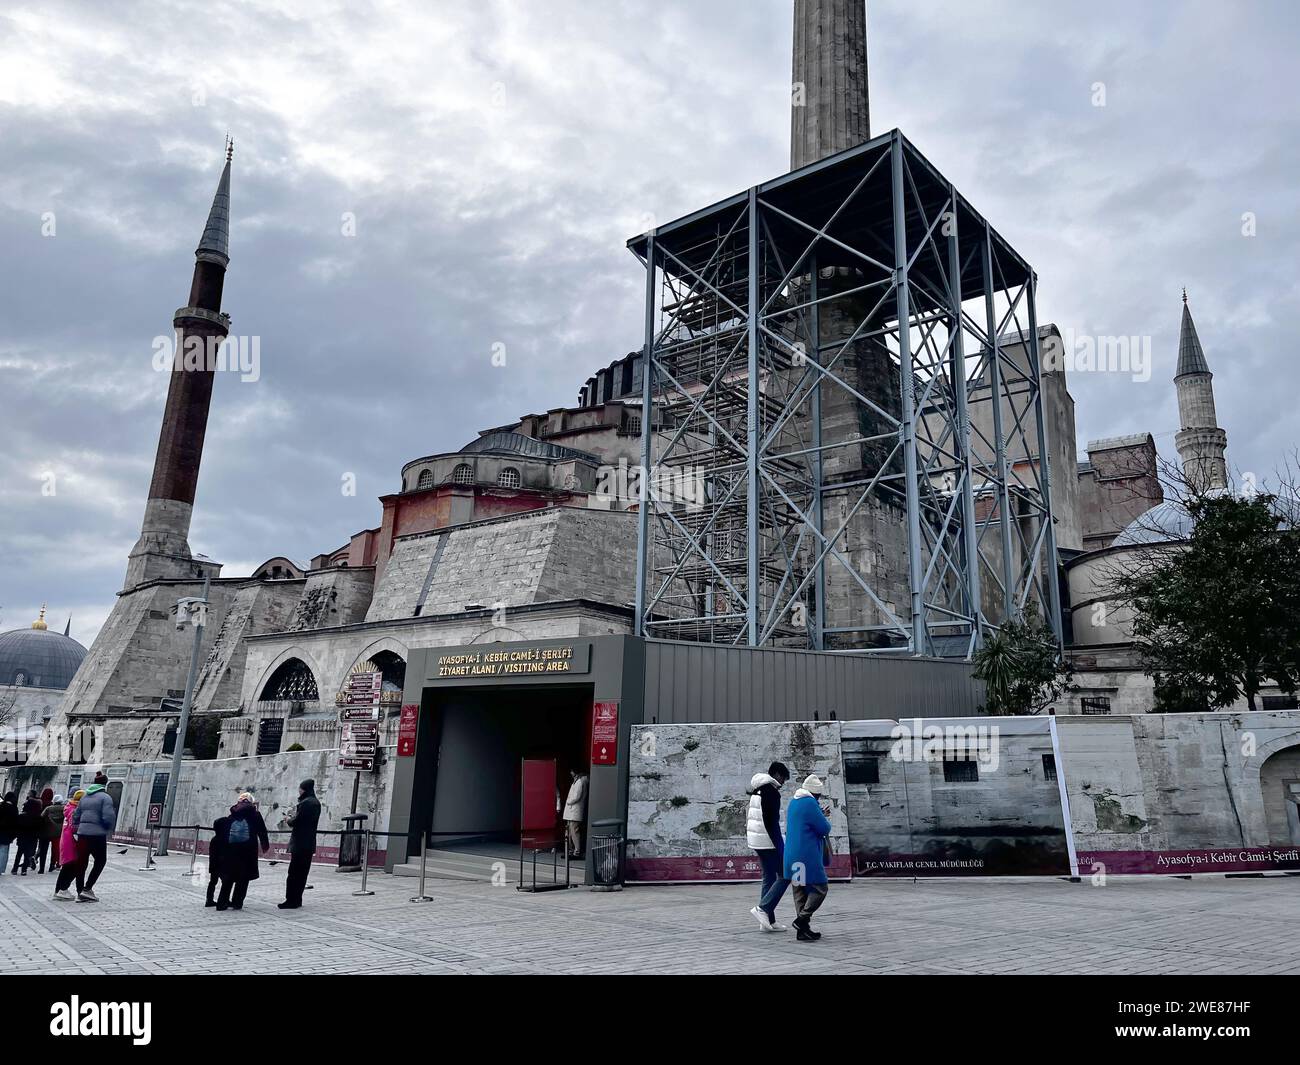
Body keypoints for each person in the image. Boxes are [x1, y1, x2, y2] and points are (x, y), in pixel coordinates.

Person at [783, 774, 832, 942]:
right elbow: (824, 828)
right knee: (820, 888)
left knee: (800, 891)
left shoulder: (795, 801)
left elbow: (806, 822)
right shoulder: (810, 803)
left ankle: (802, 931)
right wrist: (822, 816)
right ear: (815, 793)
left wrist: (819, 813)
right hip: (806, 856)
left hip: (792, 856)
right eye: (818, 795)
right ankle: (802, 919)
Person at [747, 760, 791, 932]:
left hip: (757, 841)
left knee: (769, 877)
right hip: (767, 841)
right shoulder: (771, 792)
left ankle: (768, 921)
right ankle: (763, 909)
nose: (782, 784)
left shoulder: (757, 790)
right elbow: (771, 823)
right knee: (785, 875)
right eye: (784, 780)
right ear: (778, 775)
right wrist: (780, 847)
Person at [216, 792, 269, 911]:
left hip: (232, 850)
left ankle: (222, 902)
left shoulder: (233, 812)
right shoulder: (255, 814)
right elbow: (262, 831)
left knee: (228, 877)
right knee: (243, 878)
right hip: (248, 850)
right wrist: (265, 846)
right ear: (251, 802)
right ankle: (237, 902)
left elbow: (226, 830)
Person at [71, 777, 117, 901]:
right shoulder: (105, 797)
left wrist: (78, 828)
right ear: (104, 784)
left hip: (82, 835)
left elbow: (75, 815)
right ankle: (87, 889)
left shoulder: (84, 797)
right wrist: (108, 828)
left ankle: (80, 891)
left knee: (81, 863)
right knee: (101, 861)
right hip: (97, 835)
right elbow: (108, 816)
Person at [279, 778, 321, 909]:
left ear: (304, 789)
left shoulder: (306, 803)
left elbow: (296, 821)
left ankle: (291, 900)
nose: (299, 791)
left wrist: (288, 819)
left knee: (294, 873)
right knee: (303, 873)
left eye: (300, 789)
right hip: (309, 843)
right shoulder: (316, 803)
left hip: (299, 843)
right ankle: (297, 899)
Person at [52, 790, 85, 901]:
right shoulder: (74, 810)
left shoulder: (69, 807)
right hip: (71, 842)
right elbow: (74, 827)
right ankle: (63, 889)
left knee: (67, 867)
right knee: (72, 867)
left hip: (66, 841)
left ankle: (59, 890)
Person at [13, 792, 43, 875]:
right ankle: (24, 870)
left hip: (22, 837)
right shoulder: (39, 818)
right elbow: (40, 829)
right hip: (32, 838)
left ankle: (15, 869)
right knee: (27, 854)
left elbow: (17, 827)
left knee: (19, 853)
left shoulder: (22, 816)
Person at [205, 813, 231, 907]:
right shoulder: (224, 839)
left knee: (213, 882)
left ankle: (209, 900)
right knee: (226, 882)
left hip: (214, 864)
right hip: (221, 865)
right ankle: (224, 900)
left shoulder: (215, 839)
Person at [562, 770, 588, 859]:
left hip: (574, 810)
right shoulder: (577, 780)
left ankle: (576, 852)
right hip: (572, 811)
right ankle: (571, 851)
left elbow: (576, 796)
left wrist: (568, 801)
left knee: (574, 832)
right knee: (569, 832)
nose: (570, 773)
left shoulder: (580, 781)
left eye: (571, 771)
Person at [39, 791, 64, 874]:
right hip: (58, 832)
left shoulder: (49, 808)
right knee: (55, 850)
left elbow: (41, 817)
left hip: (47, 831)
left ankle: (41, 869)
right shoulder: (64, 808)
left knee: (43, 850)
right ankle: (51, 866)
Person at [0, 792, 17, 875]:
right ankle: (1, 869)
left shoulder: (1, 805)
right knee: (4, 851)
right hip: (7, 832)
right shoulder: (14, 808)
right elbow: (15, 823)